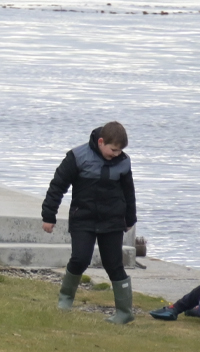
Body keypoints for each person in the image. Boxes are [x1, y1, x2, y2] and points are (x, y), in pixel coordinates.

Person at [42, 121, 137, 323]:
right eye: (113, 150)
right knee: (80, 259)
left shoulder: (124, 162)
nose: (117, 154)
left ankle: (124, 313)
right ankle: (65, 301)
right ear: (101, 142)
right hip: (83, 219)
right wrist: (48, 216)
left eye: (120, 151)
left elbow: (129, 193)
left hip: (112, 222)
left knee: (114, 265)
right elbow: (57, 186)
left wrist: (130, 219)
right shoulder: (77, 157)